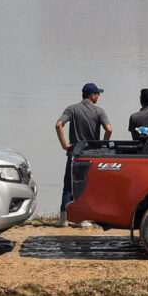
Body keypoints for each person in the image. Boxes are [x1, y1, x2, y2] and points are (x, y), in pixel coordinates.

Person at [53, 83, 112, 217]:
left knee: (68, 185)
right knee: (87, 186)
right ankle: (84, 218)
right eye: (98, 94)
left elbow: (58, 125)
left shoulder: (72, 109)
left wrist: (64, 144)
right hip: (91, 154)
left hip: (75, 153)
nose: (99, 96)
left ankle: (64, 217)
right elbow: (109, 129)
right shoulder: (99, 111)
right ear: (92, 95)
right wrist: (102, 144)